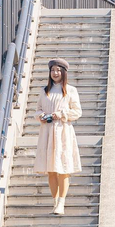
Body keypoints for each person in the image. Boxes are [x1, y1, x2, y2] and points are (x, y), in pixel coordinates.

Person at [33, 57, 82, 215]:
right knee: (51, 169)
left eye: (58, 70)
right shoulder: (44, 90)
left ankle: (62, 201)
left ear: (64, 72)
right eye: (53, 70)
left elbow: (77, 112)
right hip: (47, 131)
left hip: (63, 131)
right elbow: (38, 109)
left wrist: (60, 114)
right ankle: (55, 202)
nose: (55, 73)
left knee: (63, 167)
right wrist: (40, 116)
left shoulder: (70, 90)